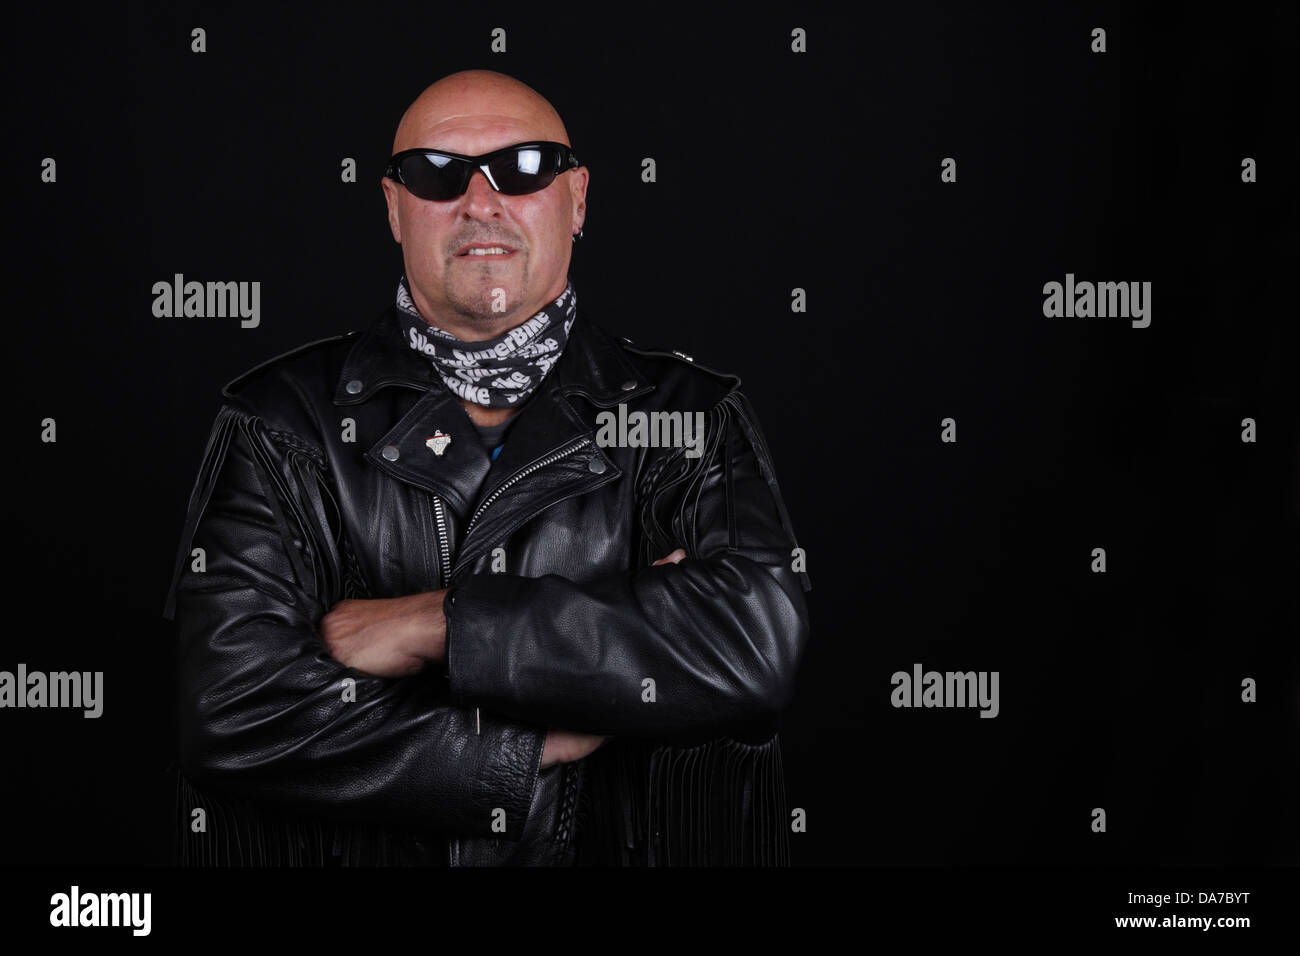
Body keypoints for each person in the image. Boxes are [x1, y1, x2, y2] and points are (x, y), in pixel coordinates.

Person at [162, 69, 811, 866]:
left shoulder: (692, 418)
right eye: (437, 174)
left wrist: (436, 623)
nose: (480, 200)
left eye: (525, 167)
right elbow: (232, 713)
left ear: (577, 200)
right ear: (394, 209)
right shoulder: (279, 422)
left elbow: (751, 647)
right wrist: (535, 740)